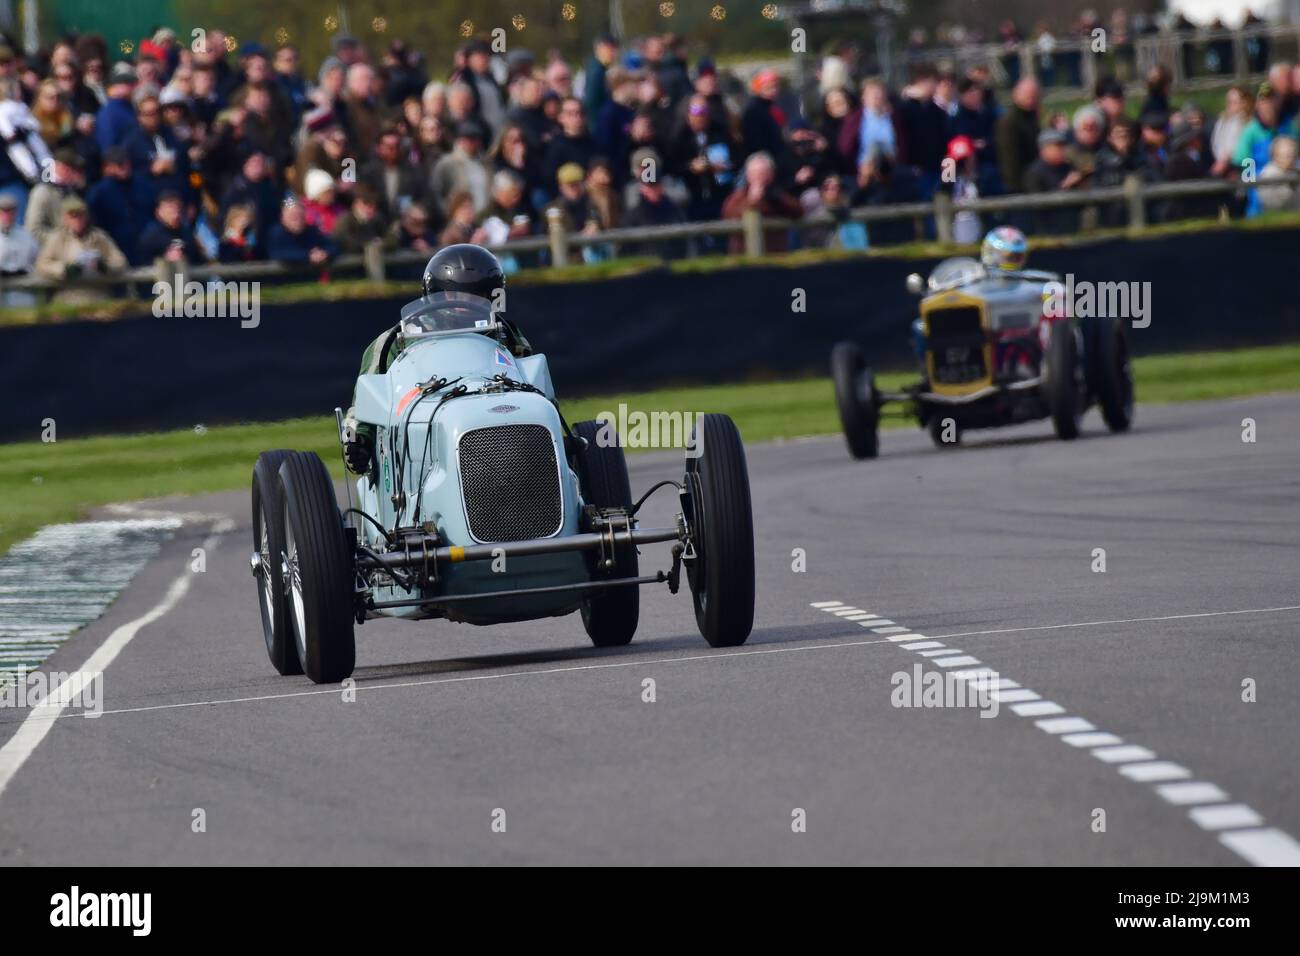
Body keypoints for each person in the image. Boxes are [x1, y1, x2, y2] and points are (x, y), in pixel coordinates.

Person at [342, 245, 532, 474]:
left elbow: (532, 386)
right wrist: (357, 441)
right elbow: (363, 401)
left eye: (476, 296)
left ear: (492, 296)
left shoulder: (507, 335)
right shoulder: (395, 341)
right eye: (454, 296)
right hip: (417, 448)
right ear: (434, 294)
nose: (465, 303)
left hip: (500, 432)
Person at [34, 195, 128, 304]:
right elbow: (41, 265)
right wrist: (65, 269)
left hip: (98, 297)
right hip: (68, 296)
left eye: (80, 215)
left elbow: (121, 262)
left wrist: (104, 266)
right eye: (72, 216)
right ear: (65, 218)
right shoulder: (57, 239)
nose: (77, 220)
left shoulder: (99, 237)